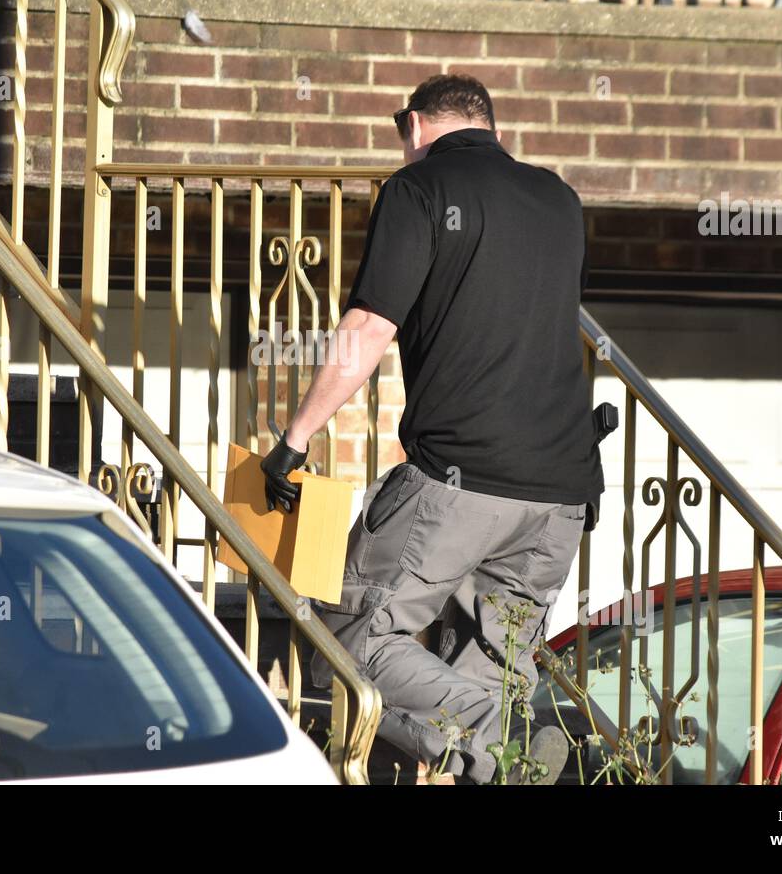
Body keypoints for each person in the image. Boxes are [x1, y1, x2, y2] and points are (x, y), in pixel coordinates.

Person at [259, 73, 604, 785]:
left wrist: (295, 438)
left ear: (414, 127)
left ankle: (494, 738)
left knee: (347, 637)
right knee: (484, 687)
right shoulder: (558, 201)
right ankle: (502, 748)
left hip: (459, 483)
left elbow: (369, 327)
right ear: (491, 126)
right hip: (561, 500)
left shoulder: (417, 191)